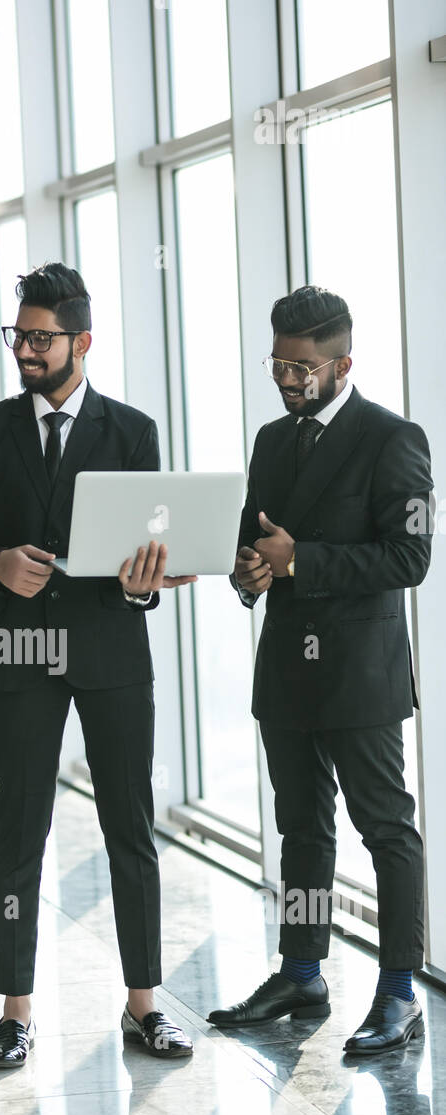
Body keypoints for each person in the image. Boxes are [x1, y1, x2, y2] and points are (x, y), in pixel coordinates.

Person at [0, 262, 195, 1068]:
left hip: (111, 647)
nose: (25, 350)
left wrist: (147, 586)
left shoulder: (133, 430)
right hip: (19, 651)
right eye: (18, 335)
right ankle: (16, 1011)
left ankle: (144, 1005)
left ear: (82, 341)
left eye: (40, 337)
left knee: (130, 829)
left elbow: (147, 553)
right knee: (20, 831)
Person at [209, 286, 433, 1056]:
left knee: (386, 828)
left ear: (343, 362)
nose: (288, 379)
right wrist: (248, 572)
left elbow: (411, 558)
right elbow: (251, 548)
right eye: (278, 364)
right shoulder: (272, 441)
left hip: (360, 672)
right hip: (288, 670)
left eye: (303, 367)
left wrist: (299, 559)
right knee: (299, 827)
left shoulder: (393, 437)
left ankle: (400, 990)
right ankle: (302, 971)